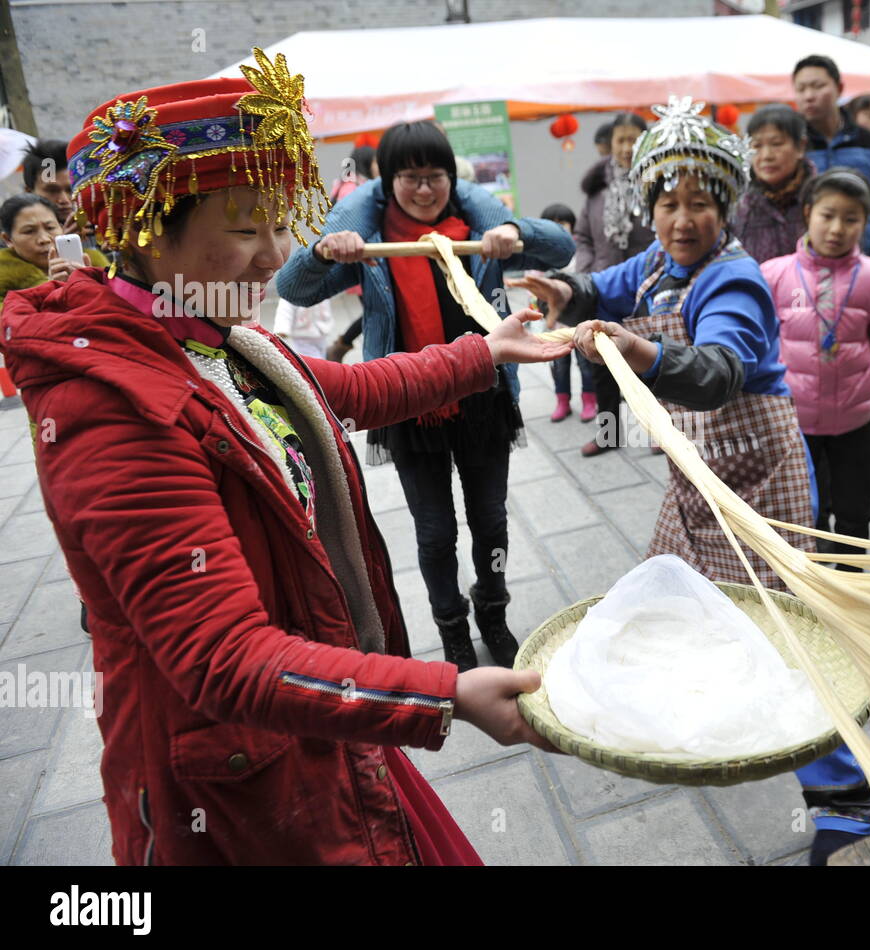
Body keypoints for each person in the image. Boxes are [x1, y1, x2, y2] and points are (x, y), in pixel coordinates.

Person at [0, 58, 570, 865]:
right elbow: (223, 658)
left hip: (321, 715)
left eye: (279, 223)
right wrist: (444, 694)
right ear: (143, 229)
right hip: (240, 781)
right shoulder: (114, 407)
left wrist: (487, 351)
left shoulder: (213, 334)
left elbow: (343, 388)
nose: (274, 257)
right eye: (244, 228)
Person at [276, 119, 575, 673]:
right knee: (434, 533)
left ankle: (493, 609)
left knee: (490, 522)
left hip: (483, 400)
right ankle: (451, 627)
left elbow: (562, 247)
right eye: (409, 178)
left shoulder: (477, 233)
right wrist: (323, 250)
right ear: (386, 183)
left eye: (434, 176)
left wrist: (515, 229)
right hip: (408, 403)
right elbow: (292, 286)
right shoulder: (371, 246)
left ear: (451, 180)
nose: (423, 189)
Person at [509, 96, 816, 590]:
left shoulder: (733, 278)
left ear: (725, 208)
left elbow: (716, 372)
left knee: (759, 612)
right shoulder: (657, 259)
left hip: (758, 468)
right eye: (669, 205)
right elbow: (605, 287)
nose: (682, 220)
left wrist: (634, 348)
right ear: (650, 211)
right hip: (696, 463)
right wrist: (565, 291)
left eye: (700, 205)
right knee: (683, 598)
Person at [760, 168, 870, 865]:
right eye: (828, 215)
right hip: (796, 421)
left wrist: (863, 376)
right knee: (805, 516)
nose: (838, 227)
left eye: (851, 218)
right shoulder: (774, 271)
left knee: (856, 512)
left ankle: (849, 597)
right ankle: (811, 590)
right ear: (806, 217)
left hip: (854, 420)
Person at [573, 111, 656, 456]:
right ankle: (609, 434)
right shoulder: (598, 190)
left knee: (652, 362)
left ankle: (658, 431)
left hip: (647, 290)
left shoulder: (657, 183)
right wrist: (588, 270)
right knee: (603, 367)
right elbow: (583, 235)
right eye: (620, 140)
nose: (626, 147)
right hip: (606, 288)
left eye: (633, 139)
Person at [793, 55, 870, 267]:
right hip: (804, 266)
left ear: (839, 88)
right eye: (801, 89)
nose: (809, 96)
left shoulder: (869, 142)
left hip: (862, 261)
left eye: (817, 86)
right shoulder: (794, 145)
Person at [730, 105, 815, 265]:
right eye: (757, 146)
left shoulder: (820, 197)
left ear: (800, 147)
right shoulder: (737, 203)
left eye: (776, 144)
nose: (766, 156)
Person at [538, 202, 595, 422]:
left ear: (572, 225)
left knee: (585, 362)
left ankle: (589, 400)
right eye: (551, 224)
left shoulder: (579, 252)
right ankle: (562, 401)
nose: (558, 227)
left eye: (562, 223)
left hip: (579, 320)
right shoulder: (538, 255)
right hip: (552, 322)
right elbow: (533, 292)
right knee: (558, 364)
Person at [324, 145, 379, 363]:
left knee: (372, 308)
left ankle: (341, 346)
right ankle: (341, 346)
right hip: (357, 256)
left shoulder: (342, 183)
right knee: (374, 309)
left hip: (351, 256)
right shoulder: (356, 187)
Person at [21, 139, 110, 267]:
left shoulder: (103, 223)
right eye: (52, 190)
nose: (64, 200)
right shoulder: (15, 236)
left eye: (71, 190)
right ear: (29, 192)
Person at [0, 195, 89, 304]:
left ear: (61, 227)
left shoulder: (92, 263)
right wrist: (50, 291)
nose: (44, 239)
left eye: (50, 228)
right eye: (29, 231)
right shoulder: (3, 282)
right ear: (8, 239)